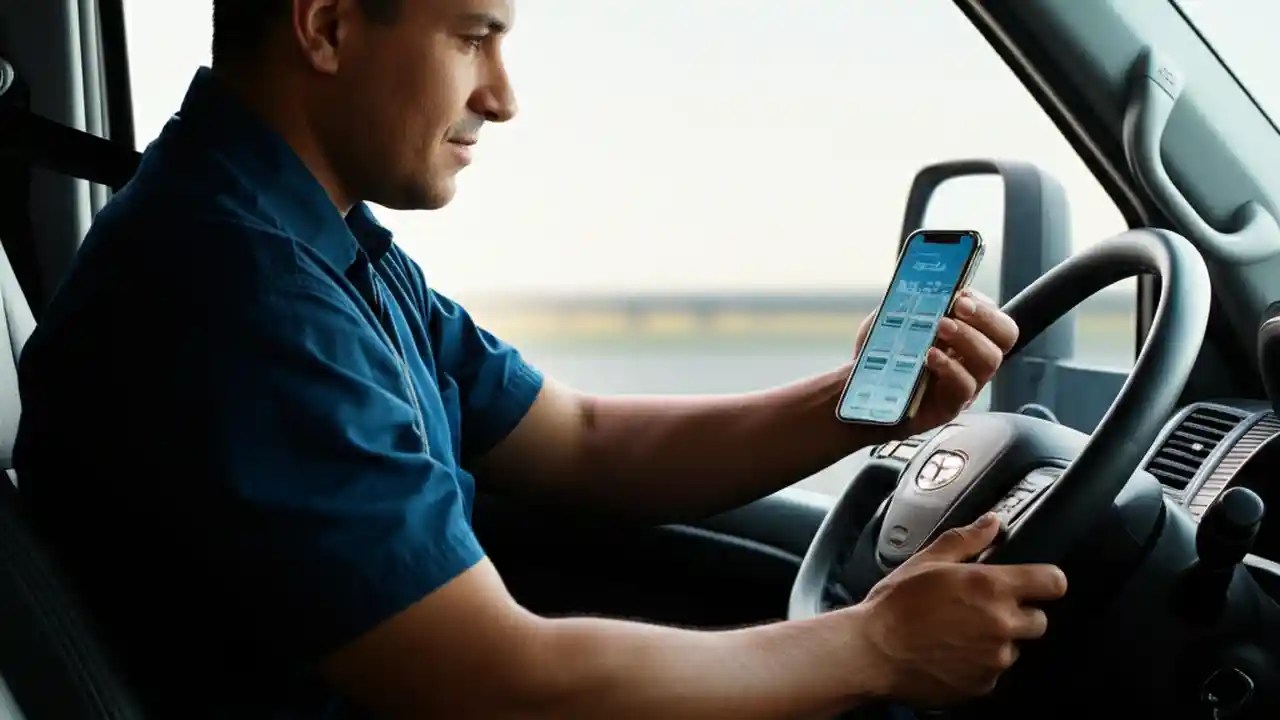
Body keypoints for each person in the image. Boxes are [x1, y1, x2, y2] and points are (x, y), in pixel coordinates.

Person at [12, 0, 1068, 717]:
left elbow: (581, 439)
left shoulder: (305, 240)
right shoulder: (237, 293)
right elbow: (503, 686)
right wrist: (873, 648)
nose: (502, 95)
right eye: (473, 36)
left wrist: (853, 407)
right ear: (328, 25)